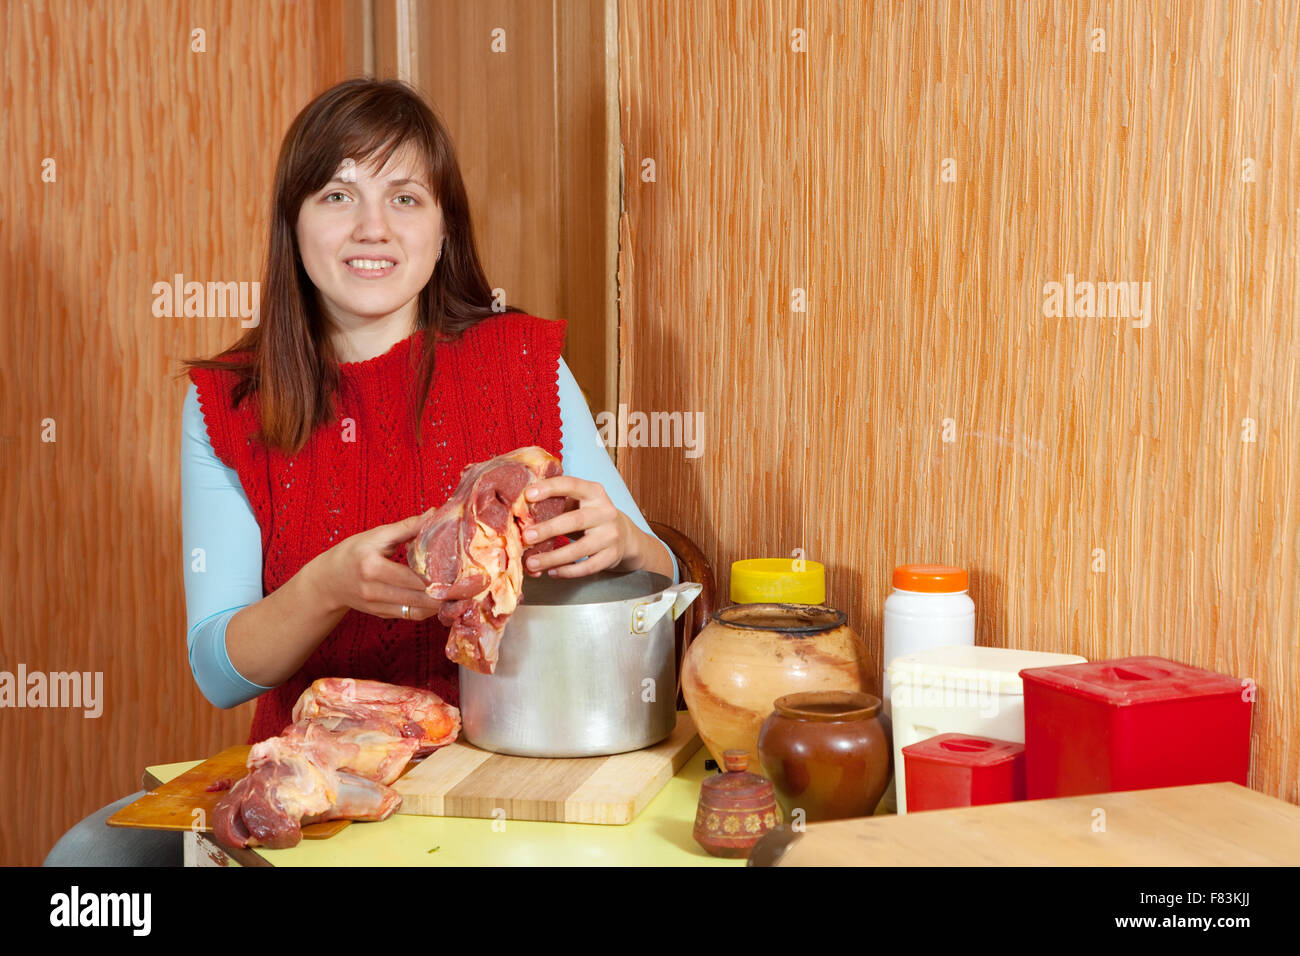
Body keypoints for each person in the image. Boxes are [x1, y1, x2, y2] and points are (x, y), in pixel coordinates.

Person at [43, 77, 676, 866]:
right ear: (293, 225)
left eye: (406, 199)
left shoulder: (524, 362)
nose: (372, 227)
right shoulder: (231, 400)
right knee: (85, 865)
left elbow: (663, 569)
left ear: (444, 230)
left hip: (499, 776)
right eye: (338, 195)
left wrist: (622, 541)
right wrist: (325, 588)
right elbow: (218, 667)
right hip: (317, 792)